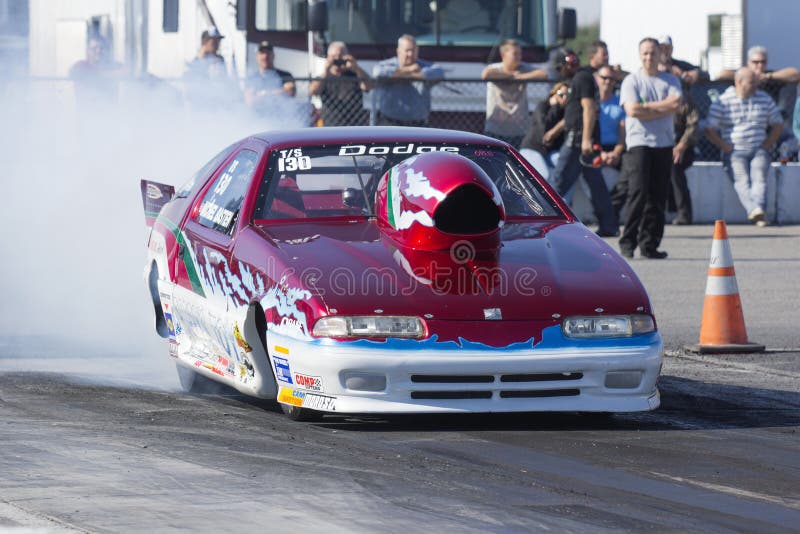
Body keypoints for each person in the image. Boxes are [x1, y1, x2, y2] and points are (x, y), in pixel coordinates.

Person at [618, 37, 682, 259]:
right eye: (645, 53)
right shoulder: (631, 81)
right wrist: (660, 108)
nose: (649, 57)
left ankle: (650, 244)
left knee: (657, 196)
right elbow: (632, 110)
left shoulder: (671, 80)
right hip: (639, 143)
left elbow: (675, 104)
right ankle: (628, 242)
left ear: (660, 54)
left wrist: (646, 107)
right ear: (639, 55)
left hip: (663, 144)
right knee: (638, 192)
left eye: (652, 53)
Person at [550, 41, 619, 237]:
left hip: (579, 141)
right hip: (583, 139)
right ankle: (609, 224)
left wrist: (586, 140)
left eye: (559, 68)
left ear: (568, 63)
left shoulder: (581, 79)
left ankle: (541, 223)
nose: (559, 73)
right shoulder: (583, 78)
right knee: (596, 184)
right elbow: (575, 112)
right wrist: (554, 132)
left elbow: (588, 109)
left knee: (557, 182)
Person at [704, 67, 783, 226]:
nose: (755, 86)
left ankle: (757, 211)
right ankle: (756, 210)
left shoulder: (764, 98)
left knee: (759, 178)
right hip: (734, 151)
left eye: (756, 82)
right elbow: (709, 128)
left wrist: (767, 144)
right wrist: (724, 146)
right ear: (738, 82)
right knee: (742, 180)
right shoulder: (724, 100)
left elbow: (778, 123)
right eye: (751, 82)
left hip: (759, 149)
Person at [481, 39, 548, 147]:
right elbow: (486, 74)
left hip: (519, 130)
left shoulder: (523, 68)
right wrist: (511, 76)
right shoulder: (495, 68)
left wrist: (521, 77)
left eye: (520, 53)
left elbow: (543, 74)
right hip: (495, 129)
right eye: (515, 54)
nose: (519, 57)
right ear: (503, 55)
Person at [372, 35, 444, 127]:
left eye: (413, 50)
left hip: (418, 125)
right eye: (407, 51)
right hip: (390, 124)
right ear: (398, 51)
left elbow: (439, 72)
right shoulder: (388, 64)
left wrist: (399, 76)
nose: (410, 54)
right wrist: (409, 70)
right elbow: (377, 72)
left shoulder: (423, 66)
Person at [308, 41, 371, 126]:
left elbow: (368, 86)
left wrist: (356, 68)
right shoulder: (324, 77)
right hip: (331, 125)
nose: (338, 59)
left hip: (355, 124)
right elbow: (313, 91)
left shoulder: (355, 75)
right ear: (328, 58)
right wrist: (326, 70)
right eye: (334, 57)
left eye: (341, 56)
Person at [519, 82, 568, 180]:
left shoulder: (565, 114)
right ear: (553, 93)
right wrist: (555, 106)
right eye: (561, 95)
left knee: (567, 169)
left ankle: (560, 196)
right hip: (532, 149)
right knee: (544, 175)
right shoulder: (543, 106)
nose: (564, 99)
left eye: (568, 96)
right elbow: (544, 127)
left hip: (547, 153)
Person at [668, 82, 699, 225]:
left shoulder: (683, 97)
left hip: (682, 145)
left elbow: (692, 125)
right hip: (657, 142)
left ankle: (684, 213)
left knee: (675, 167)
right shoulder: (647, 92)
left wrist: (681, 145)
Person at [69, 36, 123, 108]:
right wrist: (109, 75)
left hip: (110, 114)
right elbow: (74, 72)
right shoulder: (80, 65)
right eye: (94, 48)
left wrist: (100, 74)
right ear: (88, 50)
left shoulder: (114, 65)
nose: (98, 51)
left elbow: (128, 72)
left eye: (101, 48)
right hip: (87, 115)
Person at [244, 41, 296, 114]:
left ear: (273, 55)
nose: (265, 56)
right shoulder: (251, 78)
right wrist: (277, 93)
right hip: (258, 120)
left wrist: (264, 94)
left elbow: (290, 92)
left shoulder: (285, 75)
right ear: (257, 56)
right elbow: (250, 101)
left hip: (282, 118)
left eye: (268, 53)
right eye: (262, 53)